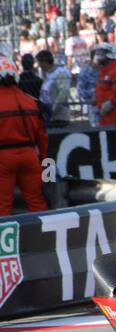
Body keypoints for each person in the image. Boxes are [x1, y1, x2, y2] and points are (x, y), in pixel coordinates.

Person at [0, 57, 50, 215]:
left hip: (3, 159)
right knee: (37, 203)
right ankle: (45, 237)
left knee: (3, 206)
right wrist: (44, 162)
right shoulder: (31, 102)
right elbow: (43, 138)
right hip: (30, 157)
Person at [35, 48, 71, 126]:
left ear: (44, 62)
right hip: (50, 116)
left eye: (39, 62)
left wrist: (53, 109)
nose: (39, 65)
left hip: (59, 117)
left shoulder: (60, 73)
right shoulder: (48, 74)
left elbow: (63, 93)